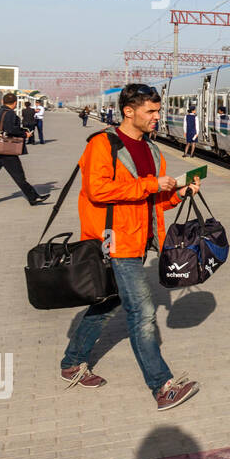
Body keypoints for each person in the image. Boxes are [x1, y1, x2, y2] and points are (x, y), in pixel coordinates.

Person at [60, 83, 202, 411]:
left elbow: (155, 201)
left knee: (108, 304)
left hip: (139, 241)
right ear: (129, 111)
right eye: (150, 111)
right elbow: (97, 190)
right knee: (143, 312)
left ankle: (72, 363)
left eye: (158, 110)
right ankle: (162, 385)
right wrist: (151, 184)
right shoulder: (103, 144)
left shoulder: (152, 150)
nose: (157, 116)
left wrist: (180, 192)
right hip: (112, 240)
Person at [0, 93, 49, 208]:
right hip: (6, 150)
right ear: (15, 103)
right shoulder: (10, 114)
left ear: (3, 101)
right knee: (19, 176)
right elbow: (10, 129)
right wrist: (25, 134)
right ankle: (33, 197)